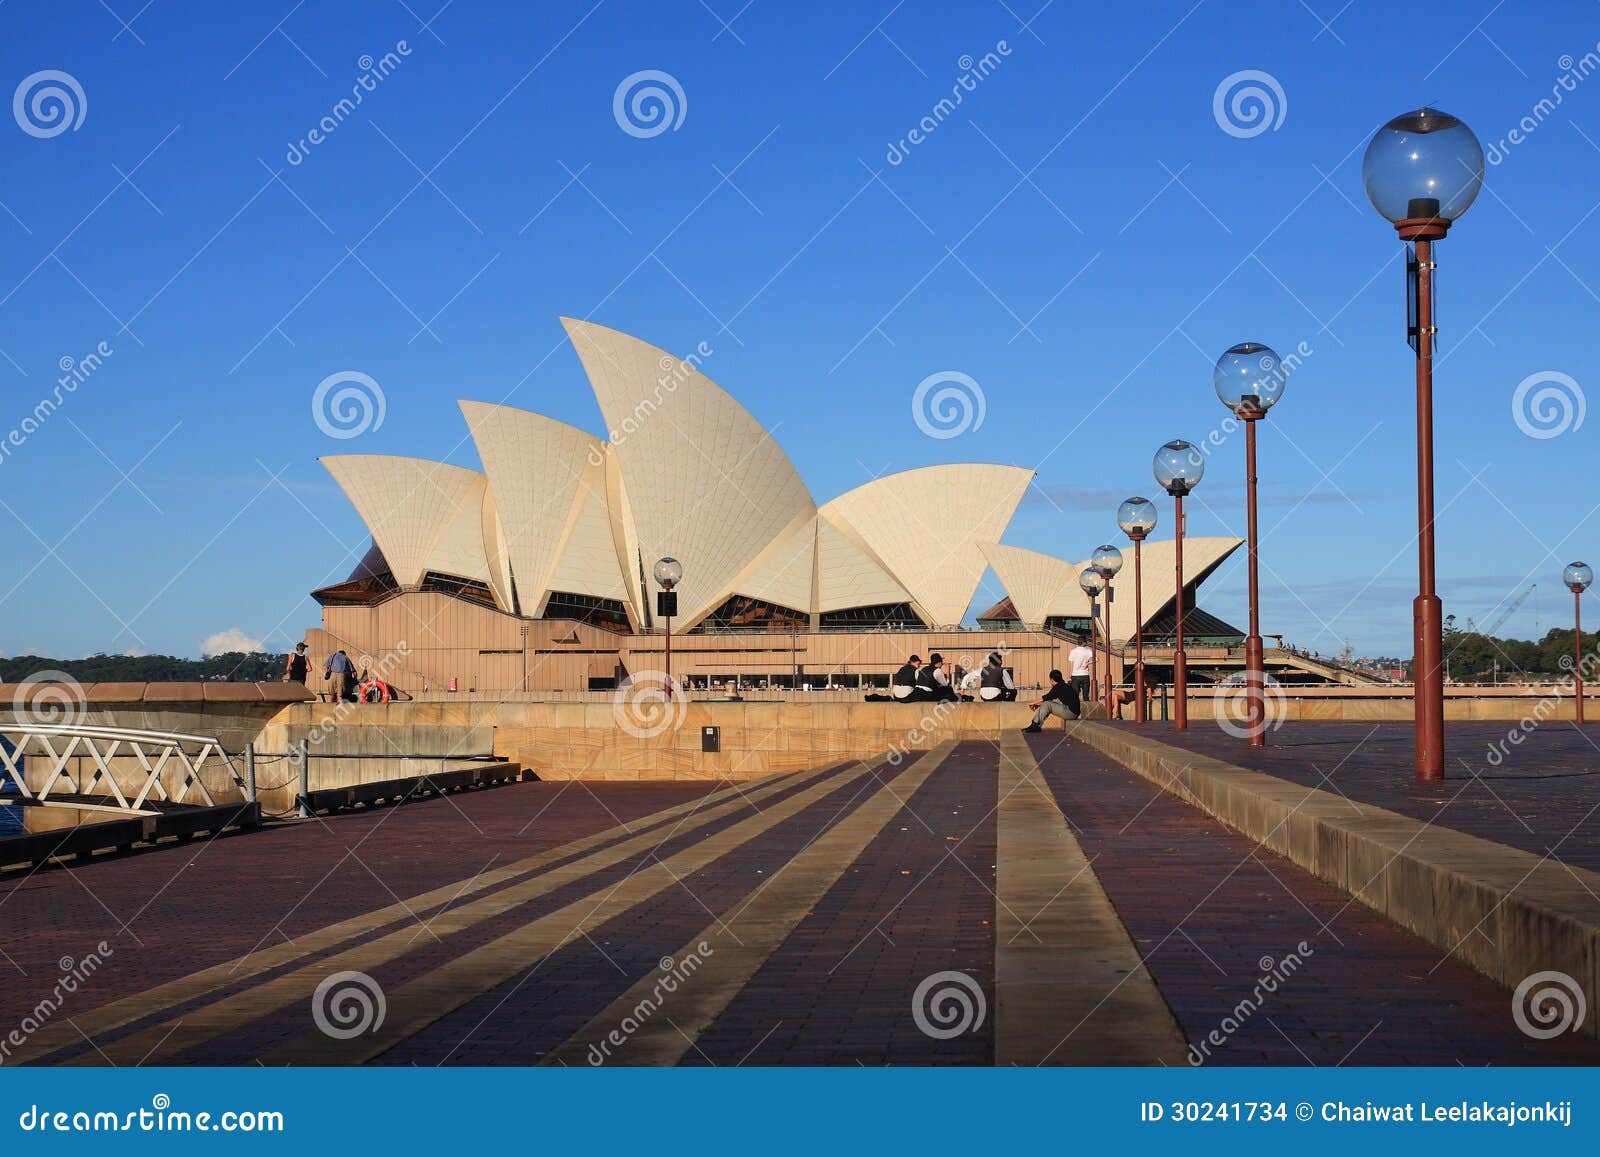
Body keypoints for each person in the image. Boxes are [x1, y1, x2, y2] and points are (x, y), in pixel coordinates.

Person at [1066, 638, 1095, 704]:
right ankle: (1086, 709)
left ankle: (1076, 709)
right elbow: (1096, 659)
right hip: (1085, 675)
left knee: (1075, 696)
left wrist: (1069, 675)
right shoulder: (1088, 651)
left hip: (1075, 675)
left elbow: (1071, 664)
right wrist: (1087, 663)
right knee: (1086, 696)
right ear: (1084, 642)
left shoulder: (1073, 651)